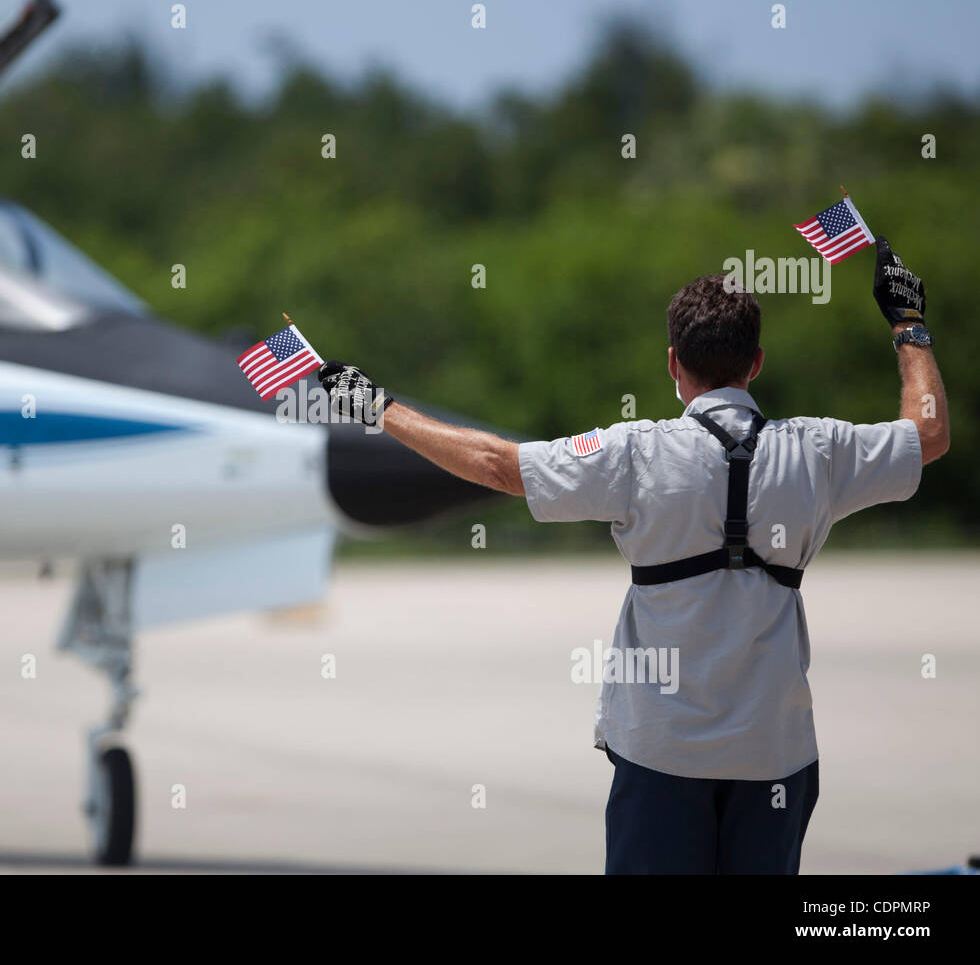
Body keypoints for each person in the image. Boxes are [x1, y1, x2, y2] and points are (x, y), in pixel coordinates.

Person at [317, 237, 946, 874]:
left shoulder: (635, 453)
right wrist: (908, 324)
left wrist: (377, 406)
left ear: (673, 363)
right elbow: (928, 435)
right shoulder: (819, 450)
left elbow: (494, 464)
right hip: (774, 756)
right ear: (755, 363)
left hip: (661, 754)